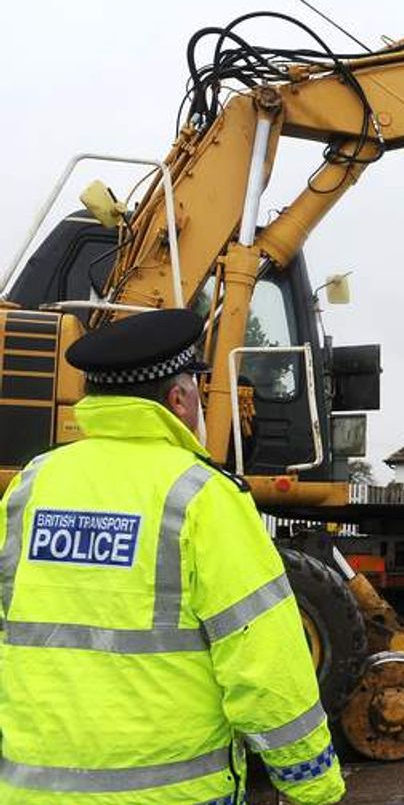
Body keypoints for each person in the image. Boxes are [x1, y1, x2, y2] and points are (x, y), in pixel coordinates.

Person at [0, 309, 343, 804]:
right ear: (179, 400)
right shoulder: (201, 497)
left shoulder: (31, 485)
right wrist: (314, 785)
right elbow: (265, 662)